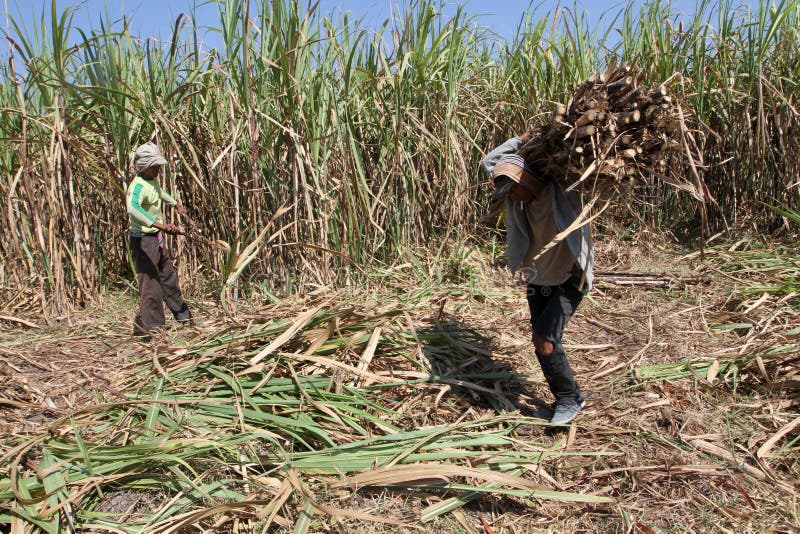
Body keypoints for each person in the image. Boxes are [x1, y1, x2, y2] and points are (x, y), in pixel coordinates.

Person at [481, 131, 595, 425]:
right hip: (538, 278)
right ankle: (567, 398)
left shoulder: (563, 192)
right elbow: (489, 162)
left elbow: (583, 162)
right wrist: (518, 141)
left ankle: (569, 398)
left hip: (569, 278)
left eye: (515, 189)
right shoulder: (517, 199)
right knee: (541, 341)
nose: (511, 197)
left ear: (528, 180)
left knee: (545, 340)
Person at [126, 141, 194, 339]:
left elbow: (159, 192)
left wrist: (175, 204)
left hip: (155, 238)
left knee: (167, 278)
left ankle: (184, 318)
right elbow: (133, 208)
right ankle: (153, 328)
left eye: (159, 166)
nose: (158, 170)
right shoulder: (137, 185)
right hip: (143, 240)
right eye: (154, 166)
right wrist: (159, 225)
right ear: (144, 166)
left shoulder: (152, 180)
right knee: (151, 284)